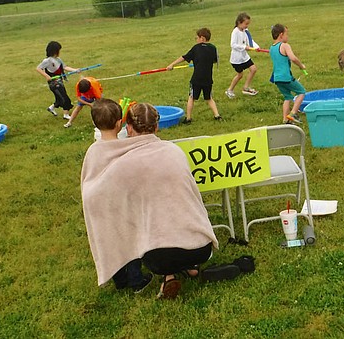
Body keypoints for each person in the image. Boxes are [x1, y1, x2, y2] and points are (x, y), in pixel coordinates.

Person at [80, 100, 218, 299]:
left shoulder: (125, 163)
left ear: (127, 128)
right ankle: (189, 267)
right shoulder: (174, 151)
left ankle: (168, 275)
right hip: (202, 248)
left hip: (158, 258)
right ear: (157, 126)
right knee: (171, 215)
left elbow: (94, 194)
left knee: (146, 226)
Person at [167, 27, 222, 123]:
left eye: (197, 38)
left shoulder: (196, 48)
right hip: (208, 79)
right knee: (209, 98)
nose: (196, 40)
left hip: (196, 79)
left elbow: (184, 57)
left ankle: (188, 118)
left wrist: (172, 64)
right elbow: (214, 60)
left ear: (202, 38)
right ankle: (217, 115)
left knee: (192, 98)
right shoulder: (213, 48)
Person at [269, 24, 307, 124]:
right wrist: (301, 65)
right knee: (301, 92)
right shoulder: (285, 46)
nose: (288, 36)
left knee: (287, 97)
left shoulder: (272, 48)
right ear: (281, 35)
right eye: (287, 34)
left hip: (276, 78)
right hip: (286, 77)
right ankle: (293, 113)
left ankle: (285, 119)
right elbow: (293, 58)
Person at [36, 41, 78, 121]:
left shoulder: (58, 60)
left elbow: (65, 67)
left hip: (60, 81)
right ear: (55, 51)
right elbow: (38, 68)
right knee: (64, 98)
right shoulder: (47, 61)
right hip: (54, 83)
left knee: (59, 97)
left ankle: (51, 108)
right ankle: (66, 115)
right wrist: (47, 76)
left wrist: (75, 70)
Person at [225, 12, 259, 98]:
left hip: (244, 57)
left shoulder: (245, 31)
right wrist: (244, 47)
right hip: (236, 59)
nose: (247, 26)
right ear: (239, 22)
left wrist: (256, 47)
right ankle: (230, 90)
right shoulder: (235, 32)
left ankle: (246, 87)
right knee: (240, 75)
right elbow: (233, 45)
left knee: (253, 69)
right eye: (246, 24)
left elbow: (250, 41)